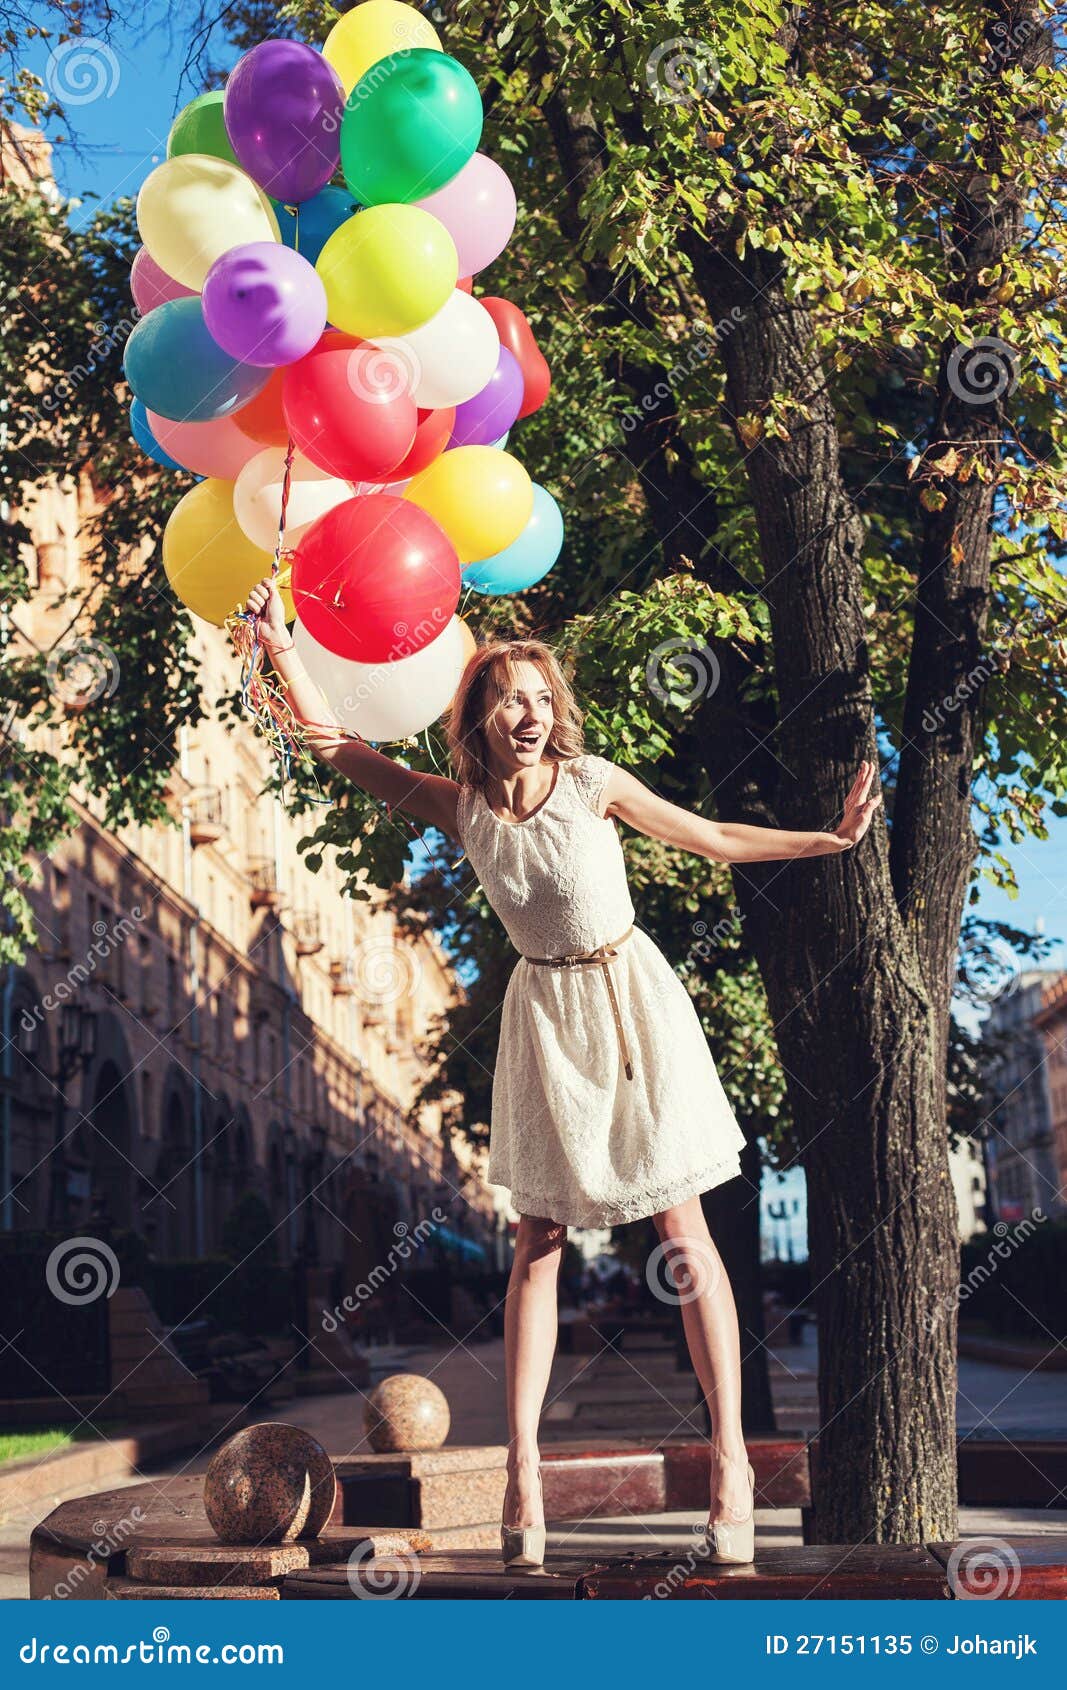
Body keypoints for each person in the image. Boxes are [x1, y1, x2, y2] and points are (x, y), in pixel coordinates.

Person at [241, 577, 882, 1568]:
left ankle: (727, 1463)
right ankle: (523, 1470)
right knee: (534, 1242)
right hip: (542, 1018)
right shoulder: (459, 808)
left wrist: (825, 839)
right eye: (509, 698)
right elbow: (336, 747)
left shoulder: (593, 782)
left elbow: (706, 839)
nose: (529, 713)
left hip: (630, 1004)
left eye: (541, 697)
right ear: (479, 718)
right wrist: (281, 647)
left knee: (681, 1225)